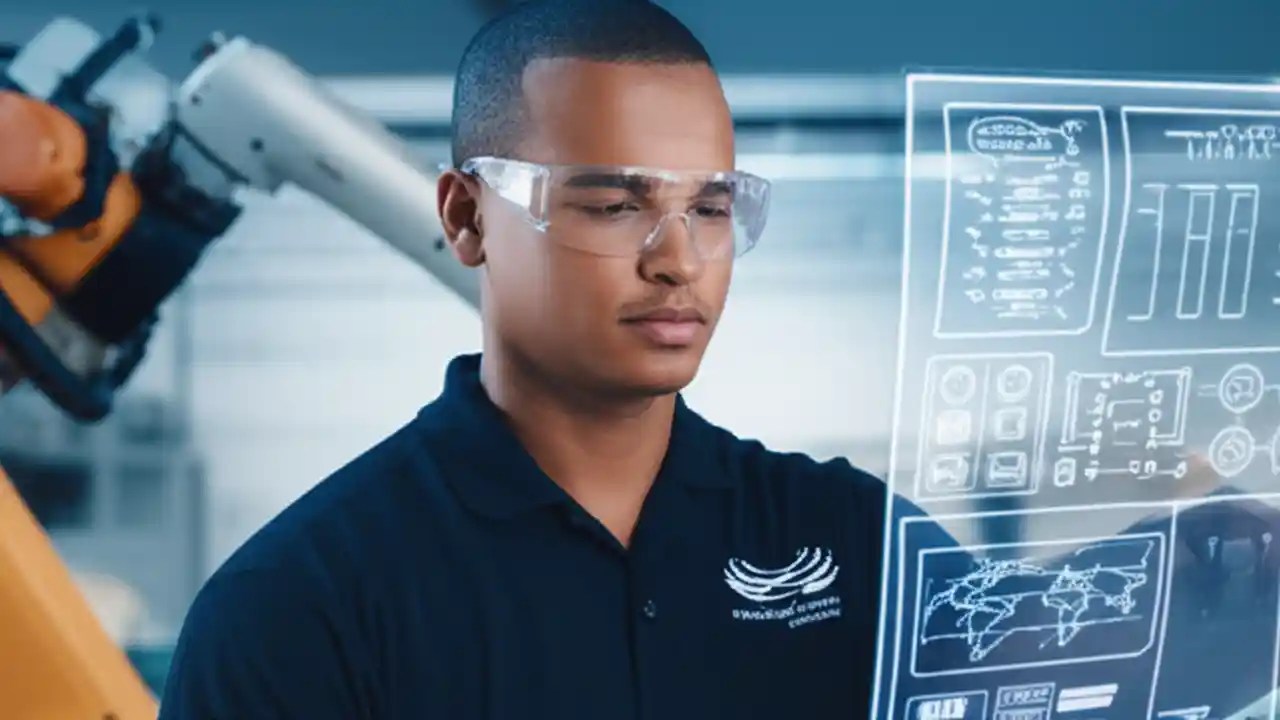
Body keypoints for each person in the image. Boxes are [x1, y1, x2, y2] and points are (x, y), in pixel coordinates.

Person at [158, 1, 898, 717]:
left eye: (709, 209)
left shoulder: (862, 546)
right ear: (466, 217)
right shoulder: (296, 614)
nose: (679, 262)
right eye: (615, 207)